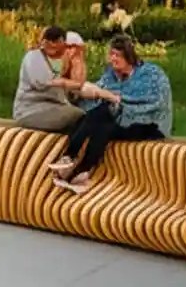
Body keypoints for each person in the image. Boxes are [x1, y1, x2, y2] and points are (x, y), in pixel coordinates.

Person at [48, 35, 172, 195]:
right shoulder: (111, 74)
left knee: (104, 116)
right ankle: (77, 167)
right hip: (119, 121)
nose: (113, 59)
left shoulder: (151, 74)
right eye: (111, 54)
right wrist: (82, 92)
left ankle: (74, 162)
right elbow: (99, 92)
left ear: (128, 56)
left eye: (117, 55)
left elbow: (155, 102)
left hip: (149, 124)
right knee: (96, 121)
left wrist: (116, 100)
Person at [12, 26, 84, 133]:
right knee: (76, 114)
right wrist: (66, 83)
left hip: (53, 107)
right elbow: (41, 82)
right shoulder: (33, 57)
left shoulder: (62, 60)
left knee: (84, 116)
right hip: (30, 110)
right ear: (45, 42)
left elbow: (74, 90)